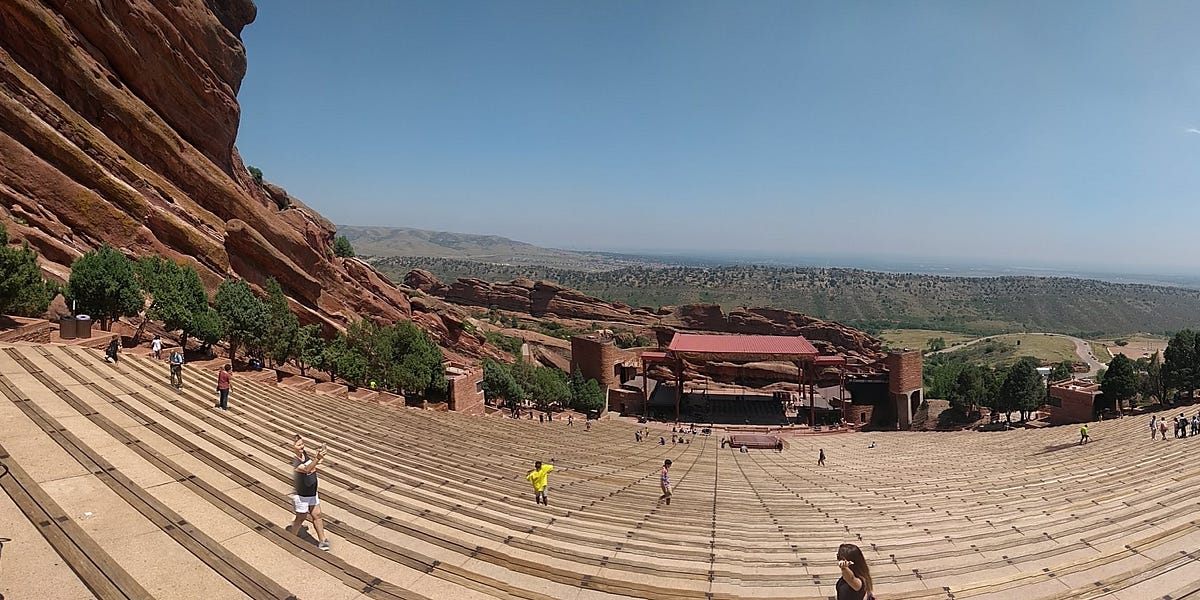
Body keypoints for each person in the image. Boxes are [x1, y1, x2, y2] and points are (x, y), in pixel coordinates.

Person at [289, 434, 331, 551]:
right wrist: (317, 459)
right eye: (298, 445)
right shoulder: (294, 461)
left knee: (317, 515)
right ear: (292, 447)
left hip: (312, 492)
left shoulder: (304, 454)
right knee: (301, 518)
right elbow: (306, 469)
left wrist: (320, 458)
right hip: (302, 495)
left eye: (302, 444)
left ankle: (322, 541)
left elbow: (312, 465)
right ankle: (291, 538)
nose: (302, 446)